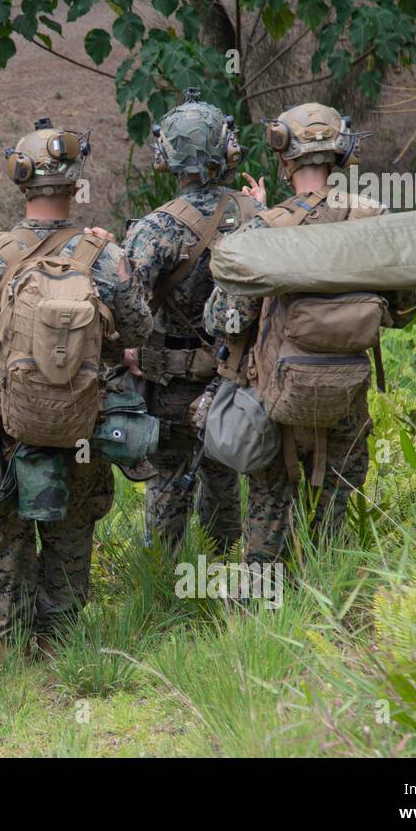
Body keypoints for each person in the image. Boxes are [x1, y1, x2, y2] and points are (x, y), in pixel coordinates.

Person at [0, 118, 154, 659]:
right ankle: (62, 644)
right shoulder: (103, 255)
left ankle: (9, 649)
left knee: (6, 532)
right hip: (81, 421)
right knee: (72, 529)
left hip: (6, 423)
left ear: (20, 181)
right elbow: (142, 331)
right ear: (74, 182)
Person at [203, 102, 416, 563]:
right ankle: (329, 612)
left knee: (265, 528)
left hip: (278, 403)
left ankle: (260, 618)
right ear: (340, 155)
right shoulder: (374, 219)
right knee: (332, 527)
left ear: (285, 158)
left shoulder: (263, 228)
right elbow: (404, 311)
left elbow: (226, 319)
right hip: (347, 399)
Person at [121, 89, 260, 550]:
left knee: (168, 479)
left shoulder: (155, 228)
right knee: (223, 473)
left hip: (173, 382)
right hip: (235, 377)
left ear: (168, 157)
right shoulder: (255, 215)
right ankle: (224, 559)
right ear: (227, 149)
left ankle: (163, 577)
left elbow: (127, 308)